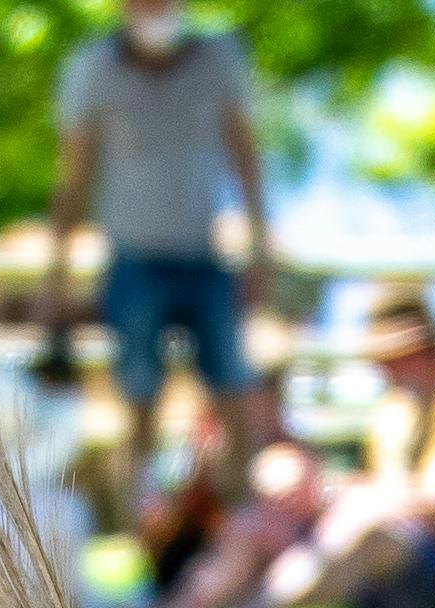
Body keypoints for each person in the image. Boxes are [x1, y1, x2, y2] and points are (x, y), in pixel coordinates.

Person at [102, 283, 435, 608]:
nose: (381, 367)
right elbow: (379, 495)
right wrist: (310, 492)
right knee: (263, 526)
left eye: (390, 354)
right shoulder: (395, 412)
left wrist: (338, 491)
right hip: (391, 579)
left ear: (421, 347)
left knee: (365, 525)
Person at [48, 2, 278, 476]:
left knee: (235, 396)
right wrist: (57, 274)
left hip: (206, 258)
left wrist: (261, 251)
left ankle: (239, 509)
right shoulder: (92, 66)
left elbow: (246, 157)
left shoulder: (219, 58)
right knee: (137, 407)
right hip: (132, 263)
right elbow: (74, 176)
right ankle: (140, 513)